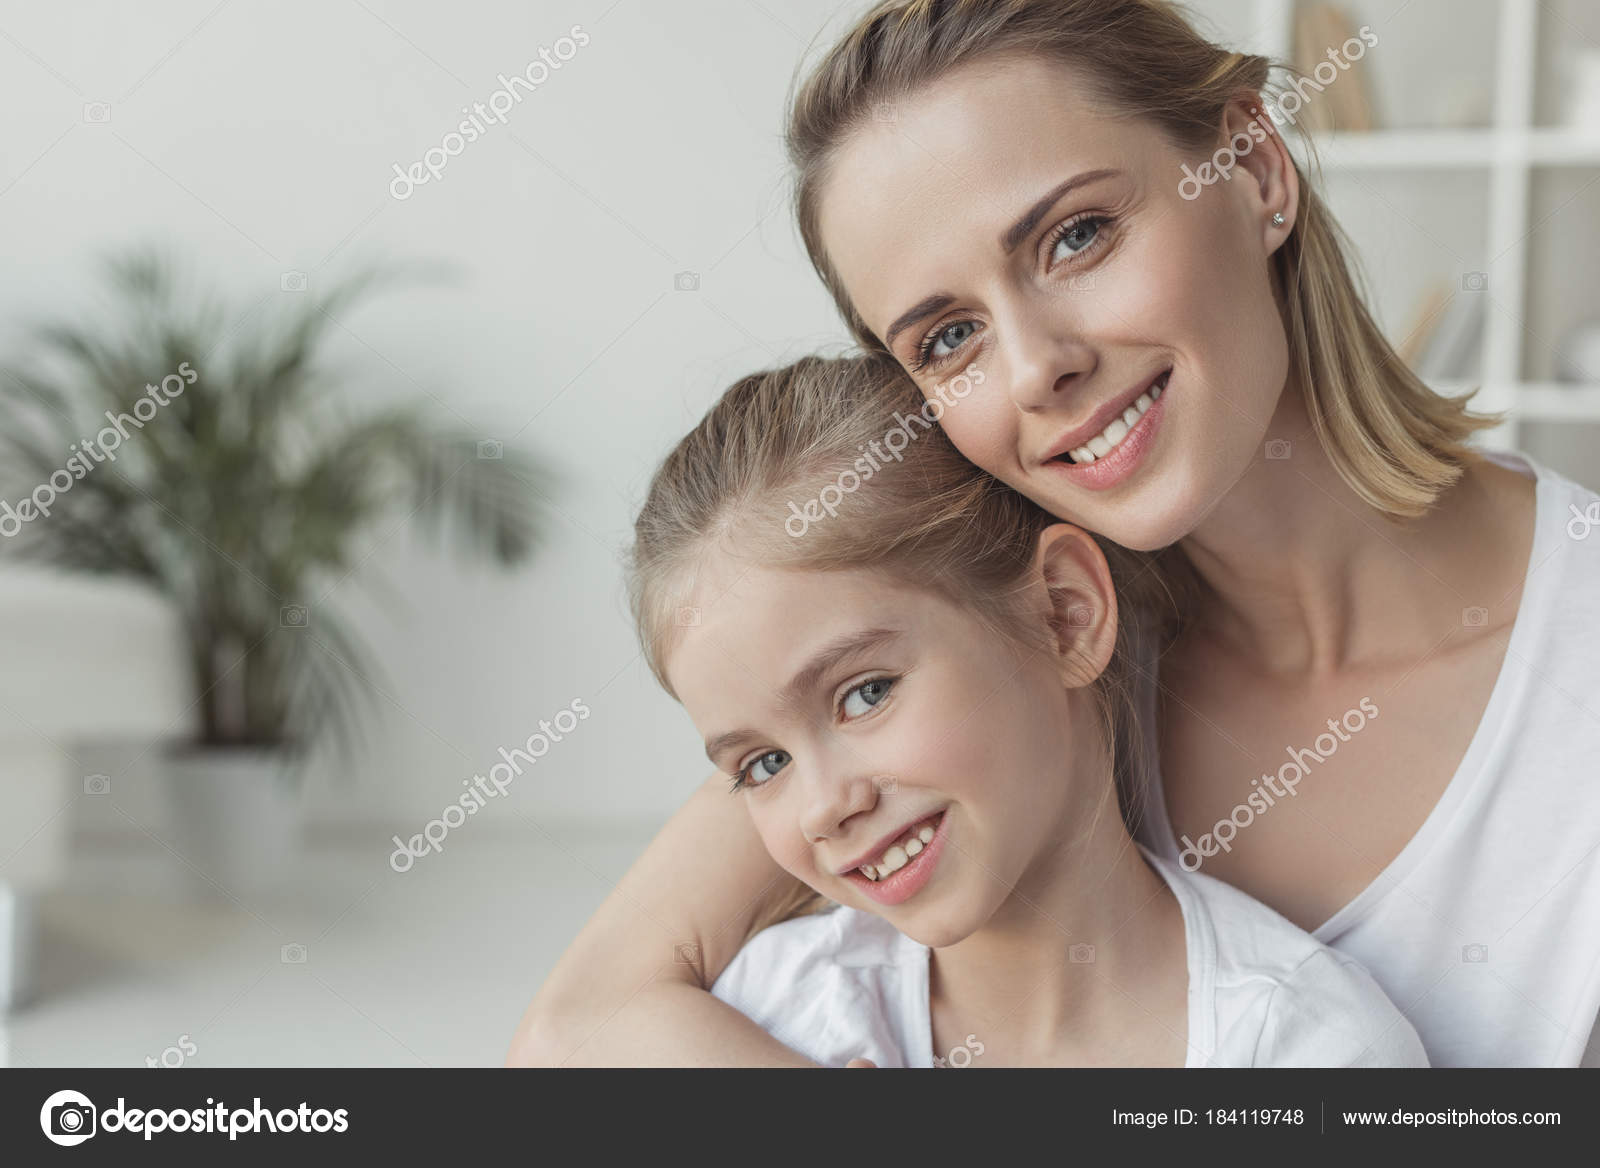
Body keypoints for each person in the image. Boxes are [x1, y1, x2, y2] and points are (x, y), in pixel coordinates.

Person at [510, 0, 1600, 1067]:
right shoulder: (1008, 651)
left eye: (1075, 236)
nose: (1037, 367)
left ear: (1257, 170)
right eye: (948, 338)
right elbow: (576, 1033)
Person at [628, 352, 1426, 1066]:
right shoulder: (765, 1016)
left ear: (1063, 613)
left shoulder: (1308, 1050)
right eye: (763, 764)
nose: (826, 808)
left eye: (865, 694)